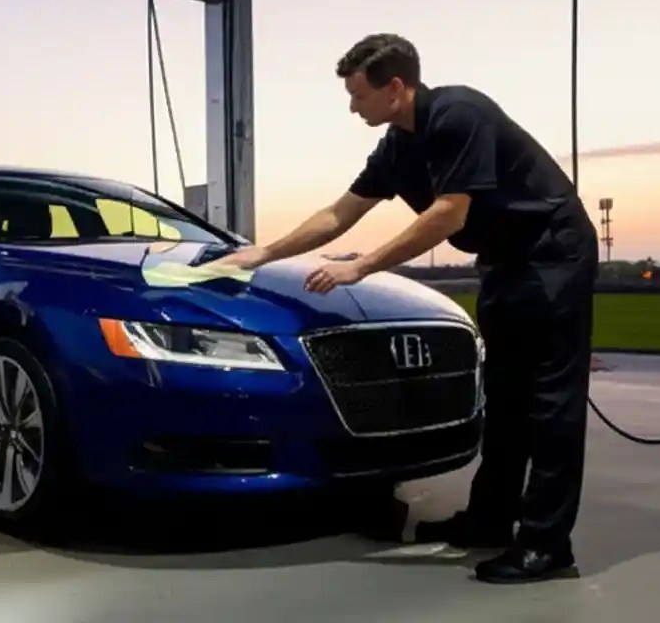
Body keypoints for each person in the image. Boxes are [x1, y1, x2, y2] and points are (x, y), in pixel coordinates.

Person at [210, 33, 598, 584]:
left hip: (553, 255)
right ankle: (489, 521)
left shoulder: (460, 114)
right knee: (506, 400)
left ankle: (547, 546)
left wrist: (360, 266)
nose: (352, 106)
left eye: (358, 95)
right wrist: (264, 253)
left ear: (395, 88)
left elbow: (447, 215)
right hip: (505, 261)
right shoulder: (397, 145)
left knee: (551, 406)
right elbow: (339, 213)